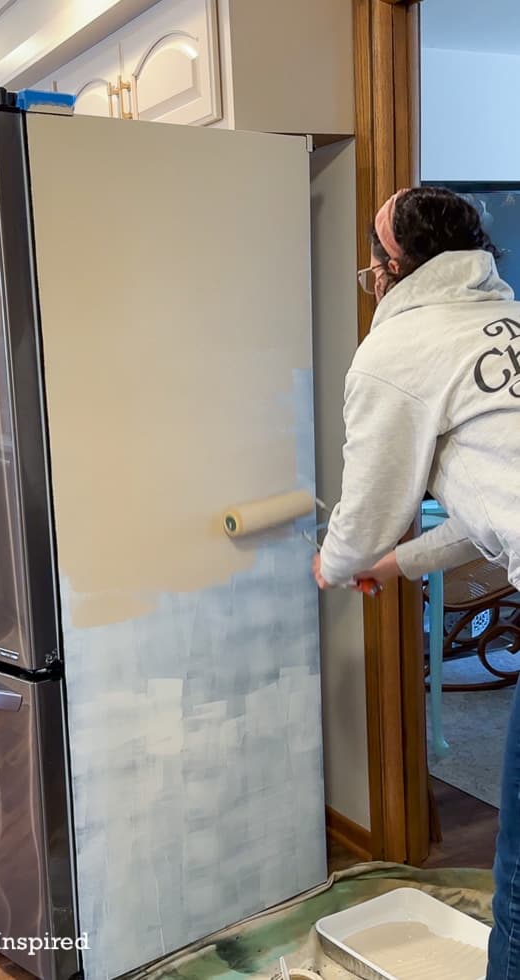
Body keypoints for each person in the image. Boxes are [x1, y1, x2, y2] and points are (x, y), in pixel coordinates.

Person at [311, 185, 520, 979]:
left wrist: (339, 562)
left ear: (395, 269)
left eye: (373, 258)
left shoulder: (398, 350)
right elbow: (492, 513)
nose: (371, 274)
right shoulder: (510, 323)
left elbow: (370, 502)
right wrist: (395, 565)